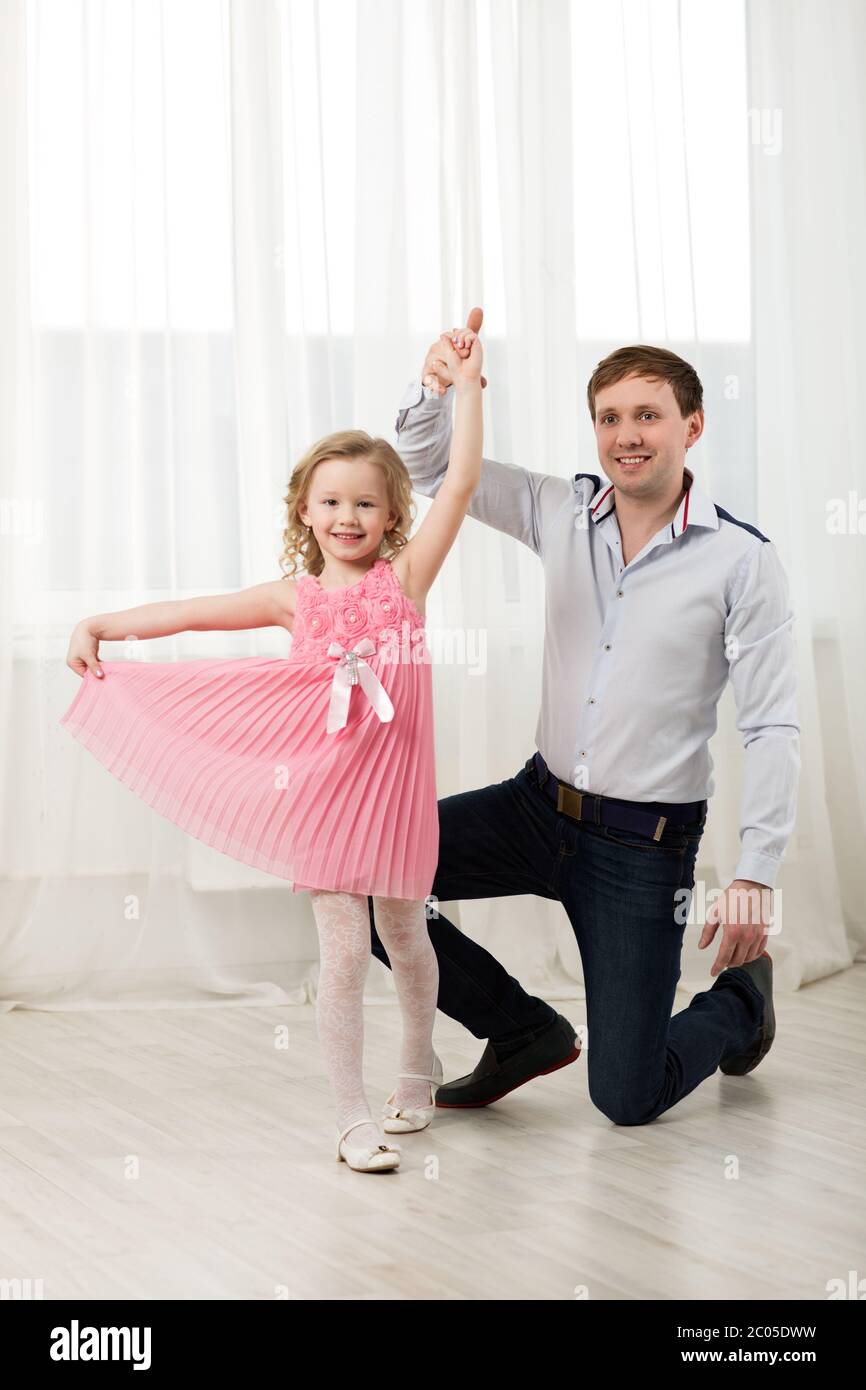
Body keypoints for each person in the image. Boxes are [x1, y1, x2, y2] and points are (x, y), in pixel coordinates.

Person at [60, 331, 485, 1172]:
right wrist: (103, 623)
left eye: (365, 504)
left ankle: (413, 1071)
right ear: (305, 511)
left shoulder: (405, 582)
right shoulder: (292, 598)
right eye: (330, 503)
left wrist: (468, 389)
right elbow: (188, 611)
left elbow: (463, 481)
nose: (347, 519)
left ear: (392, 514)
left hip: (395, 795)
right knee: (338, 949)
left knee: (406, 936)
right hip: (324, 793)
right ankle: (347, 1114)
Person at [368, 306, 799, 1126]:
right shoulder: (557, 508)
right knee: (371, 876)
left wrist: (754, 876)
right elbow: (428, 464)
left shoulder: (743, 561)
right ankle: (520, 1029)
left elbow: (772, 726)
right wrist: (438, 384)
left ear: (692, 425)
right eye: (609, 418)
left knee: (627, 1098)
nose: (626, 435)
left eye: (648, 415)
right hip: (536, 806)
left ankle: (743, 998)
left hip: (642, 845)